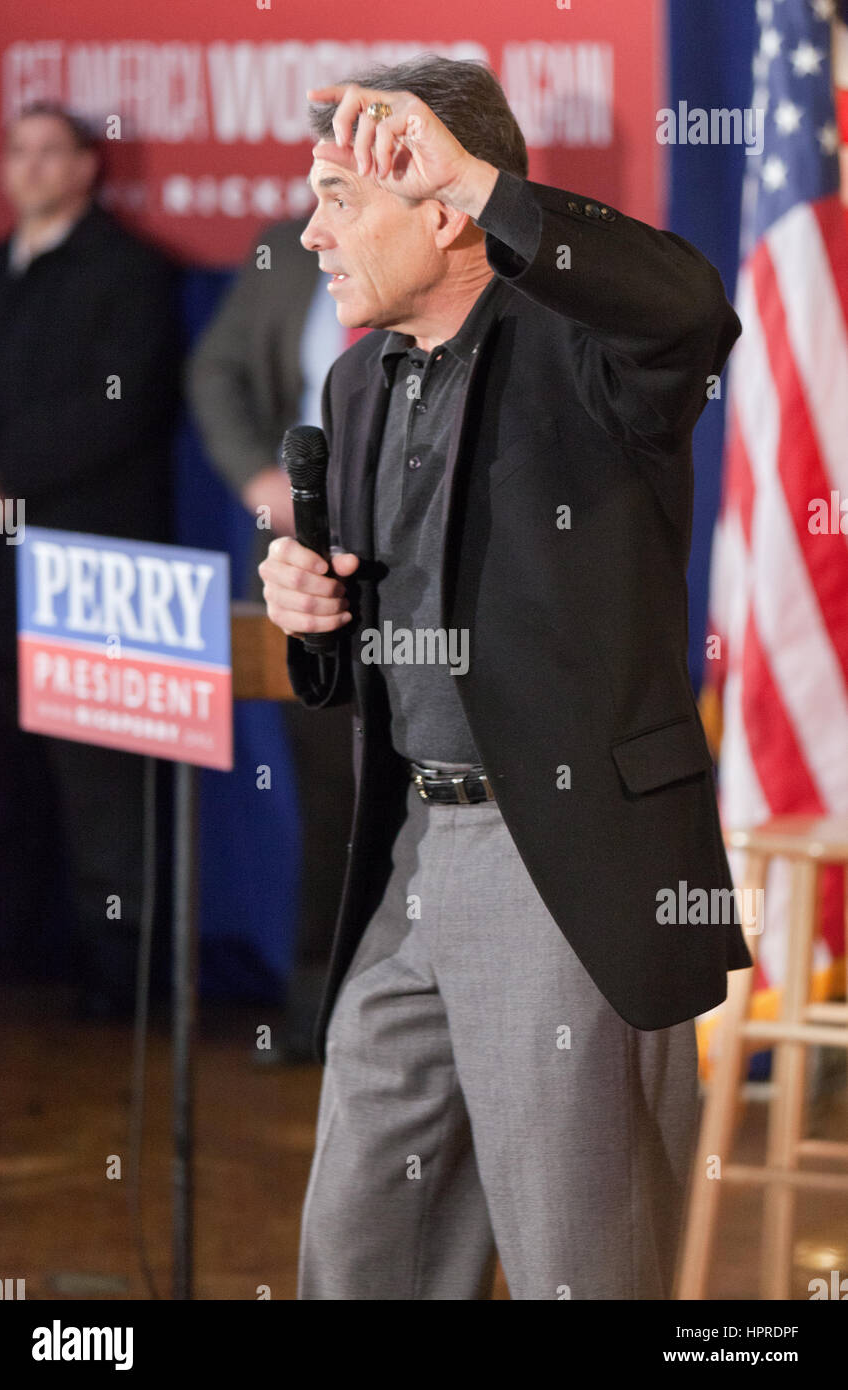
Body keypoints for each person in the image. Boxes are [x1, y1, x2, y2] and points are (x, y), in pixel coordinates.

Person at [259, 55, 753, 1301]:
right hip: (414, 854)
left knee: (579, 1258)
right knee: (360, 1239)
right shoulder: (357, 376)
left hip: (563, 858)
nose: (308, 232)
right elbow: (383, 620)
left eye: (337, 196)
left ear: (441, 210)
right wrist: (315, 616)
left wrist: (481, 177)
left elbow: (690, 307)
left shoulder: (591, 346)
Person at [0, 103, 180, 1015]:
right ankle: (21, 969)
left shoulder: (129, 271)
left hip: (94, 568)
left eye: (47, 150)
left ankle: (121, 989)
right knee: (9, 779)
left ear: (87, 168)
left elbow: (121, 404)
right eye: (15, 150)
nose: (27, 167)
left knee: (104, 783)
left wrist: (3, 474)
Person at [186, 218, 355, 1062]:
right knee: (330, 799)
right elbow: (215, 367)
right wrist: (259, 474)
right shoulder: (288, 249)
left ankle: (438, 1013)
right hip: (305, 559)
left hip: (438, 567)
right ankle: (319, 1010)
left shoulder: (460, 247)